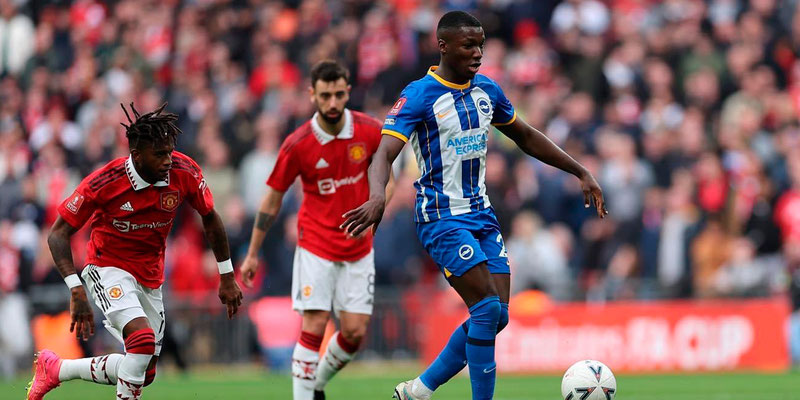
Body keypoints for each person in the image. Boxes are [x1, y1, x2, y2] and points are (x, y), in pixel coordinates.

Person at [342, 11, 607, 400]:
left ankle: (417, 390)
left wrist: (579, 170)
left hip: (481, 215)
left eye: (481, 44)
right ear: (444, 46)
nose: (478, 52)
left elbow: (527, 136)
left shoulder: (488, 90)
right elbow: (382, 154)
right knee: (484, 311)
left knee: (497, 315)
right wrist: (378, 194)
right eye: (469, 45)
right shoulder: (418, 95)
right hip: (441, 217)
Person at [27, 103, 243, 400]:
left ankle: (56, 369)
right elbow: (58, 234)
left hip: (150, 276)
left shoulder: (184, 171)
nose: (168, 160)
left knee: (145, 370)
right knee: (141, 343)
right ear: (137, 155)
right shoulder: (105, 182)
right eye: (160, 154)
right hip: (107, 267)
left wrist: (227, 274)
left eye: (170, 151)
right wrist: (75, 288)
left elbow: (210, 217)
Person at [239, 60, 392, 400]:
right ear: (312, 95)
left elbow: (388, 180)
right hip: (316, 246)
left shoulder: (369, 130)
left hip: (358, 249)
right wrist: (251, 253)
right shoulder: (298, 144)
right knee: (315, 325)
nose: (333, 102)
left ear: (348, 91)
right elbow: (271, 201)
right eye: (325, 95)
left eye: (339, 94)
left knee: (353, 333)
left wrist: (375, 215)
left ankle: (317, 384)